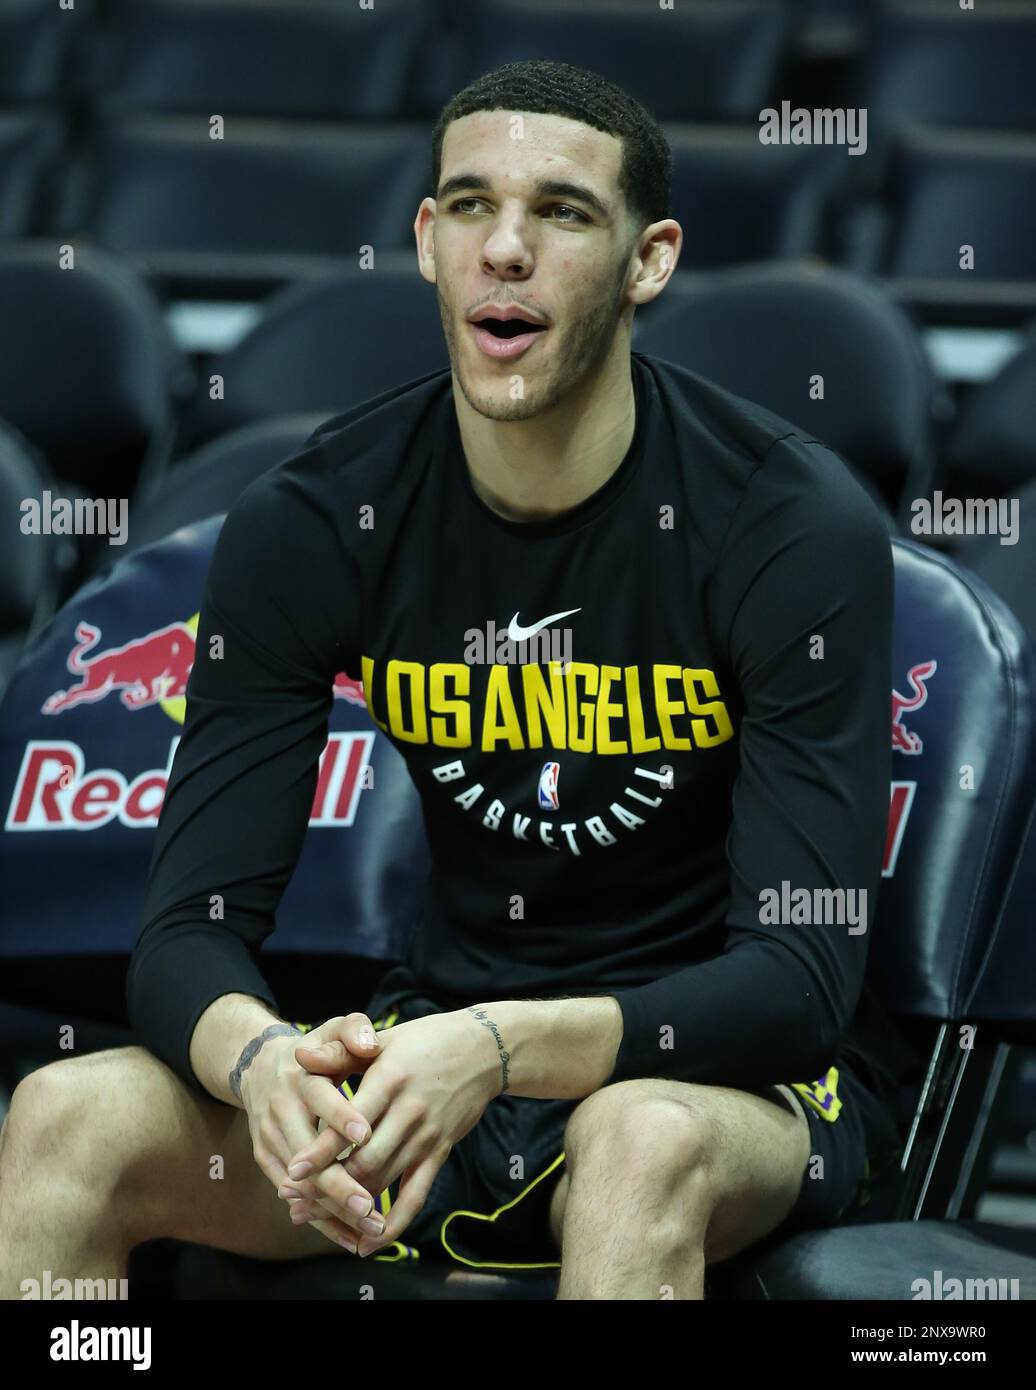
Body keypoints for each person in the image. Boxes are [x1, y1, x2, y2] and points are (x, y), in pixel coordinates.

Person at [0, 61, 919, 1301]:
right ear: (426, 241)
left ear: (648, 261)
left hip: (729, 1094)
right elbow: (187, 934)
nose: (507, 250)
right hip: (436, 1052)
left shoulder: (784, 521)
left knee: (636, 1142)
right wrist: (263, 1060)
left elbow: (798, 985)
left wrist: (497, 1049)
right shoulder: (314, 519)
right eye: (472, 208)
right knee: (66, 1115)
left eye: (563, 213)